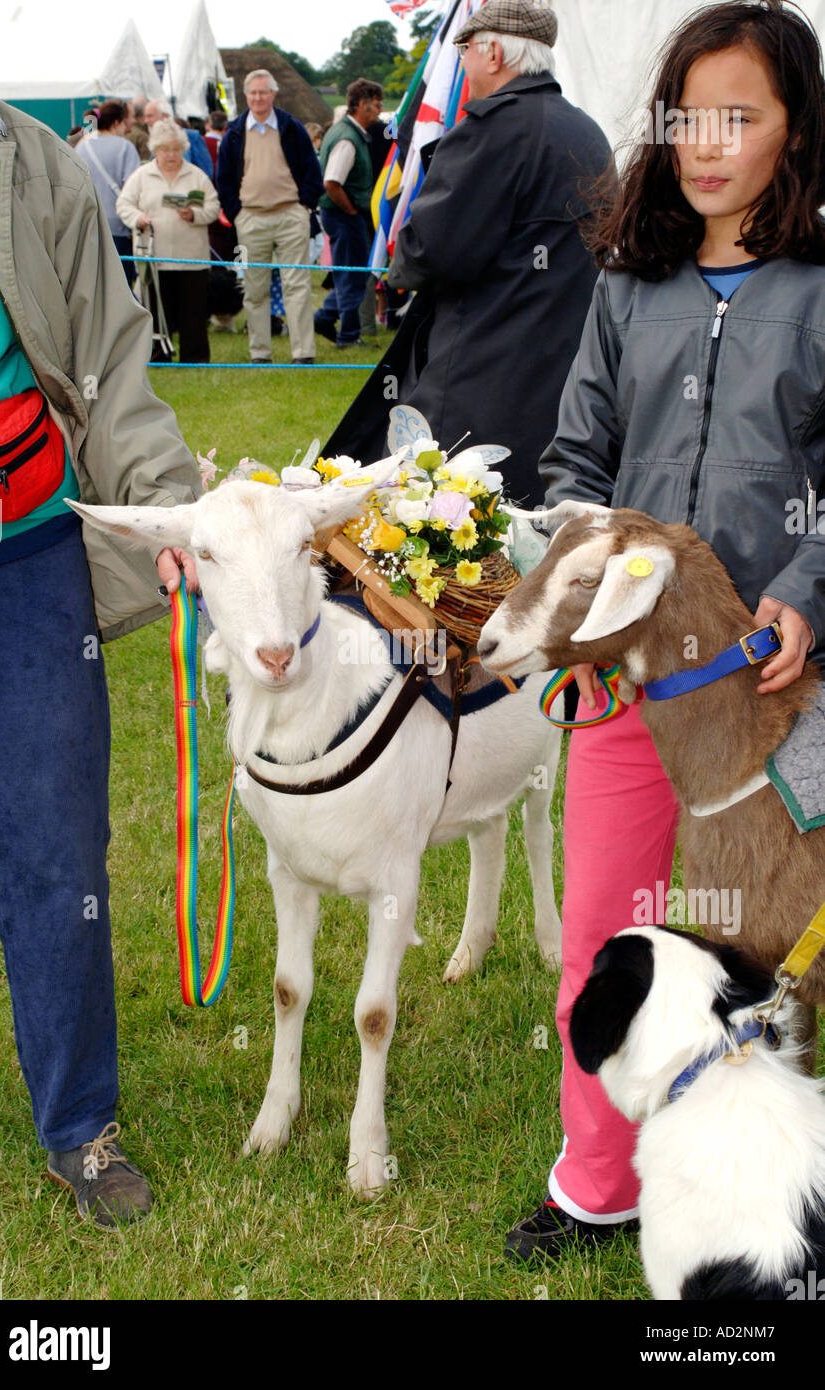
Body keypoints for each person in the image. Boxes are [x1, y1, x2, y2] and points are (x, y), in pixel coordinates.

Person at [505, 0, 825, 1262]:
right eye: (685, 115)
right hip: (638, 701)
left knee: (775, 945)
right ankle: (598, 1180)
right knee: (606, 925)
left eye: (737, 116)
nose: (705, 143)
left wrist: (808, 586)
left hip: (790, 699)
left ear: (794, 132)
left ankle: (774, 1193)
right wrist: (568, 603)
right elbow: (576, 458)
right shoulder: (625, 289)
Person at [0, 0, 201, 1226]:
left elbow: (109, 365)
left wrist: (163, 512)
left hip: (20, 565)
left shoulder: (32, 164)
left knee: (55, 862)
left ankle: (80, 1128)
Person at [322, 4, 611, 504]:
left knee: (445, 537)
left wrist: (403, 256)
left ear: (493, 52)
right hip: (568, 381)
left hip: (478, 375)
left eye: (464, 51)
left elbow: (428, 253)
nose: (463, 65)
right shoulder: (589, 134)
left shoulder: (490, 130)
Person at [215, 69, 323, 365]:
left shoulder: (292, 128)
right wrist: (236, 213)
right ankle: (260, 353)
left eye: (264, 92)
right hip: (250, 218)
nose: (258, 98)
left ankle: (303, 353)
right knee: (254, 287)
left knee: (297, 285)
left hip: (291, 215)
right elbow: (223, 179)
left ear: (273, 95)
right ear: (246, 96)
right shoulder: (235, 133)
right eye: (253, 93)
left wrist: (304, 206)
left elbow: (313, 172)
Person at [117, 118, 220, 363]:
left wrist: (194, 214)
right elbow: (123, 204)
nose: (171, 154)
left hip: (191, 258)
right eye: (165, 149)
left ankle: (194, 357)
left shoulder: (196, 176)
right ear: (155, 150)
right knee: (155, 308)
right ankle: (158, 354)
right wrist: (138, 217)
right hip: (154, 257)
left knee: (193, 311)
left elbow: (213, 208)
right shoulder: (142, 176)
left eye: (176, 149)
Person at [314, 78, 385, 349]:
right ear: (363, 105)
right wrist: (352, 210)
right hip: (343, 215)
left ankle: (324, 318)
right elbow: (332, 183)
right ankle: (348, 335)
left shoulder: (344, 131)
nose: (379, 111)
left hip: (341, 214)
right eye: (377, 105)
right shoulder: (348, 138)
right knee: (352, 275)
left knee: (351, 274)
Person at [74, 99, 140, 283]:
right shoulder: (125, 147)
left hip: (88, 222)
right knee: (121, 283)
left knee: (95, 283)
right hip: (119, 223)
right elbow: (132, 187)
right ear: (117, 123)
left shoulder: (81, 146)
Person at [143, 98, 213, 177]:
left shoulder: (192, 137)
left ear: (165, 116)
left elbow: (207, 172)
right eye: (145, 117)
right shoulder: (154, 143)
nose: (146, 121)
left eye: (150, 116)